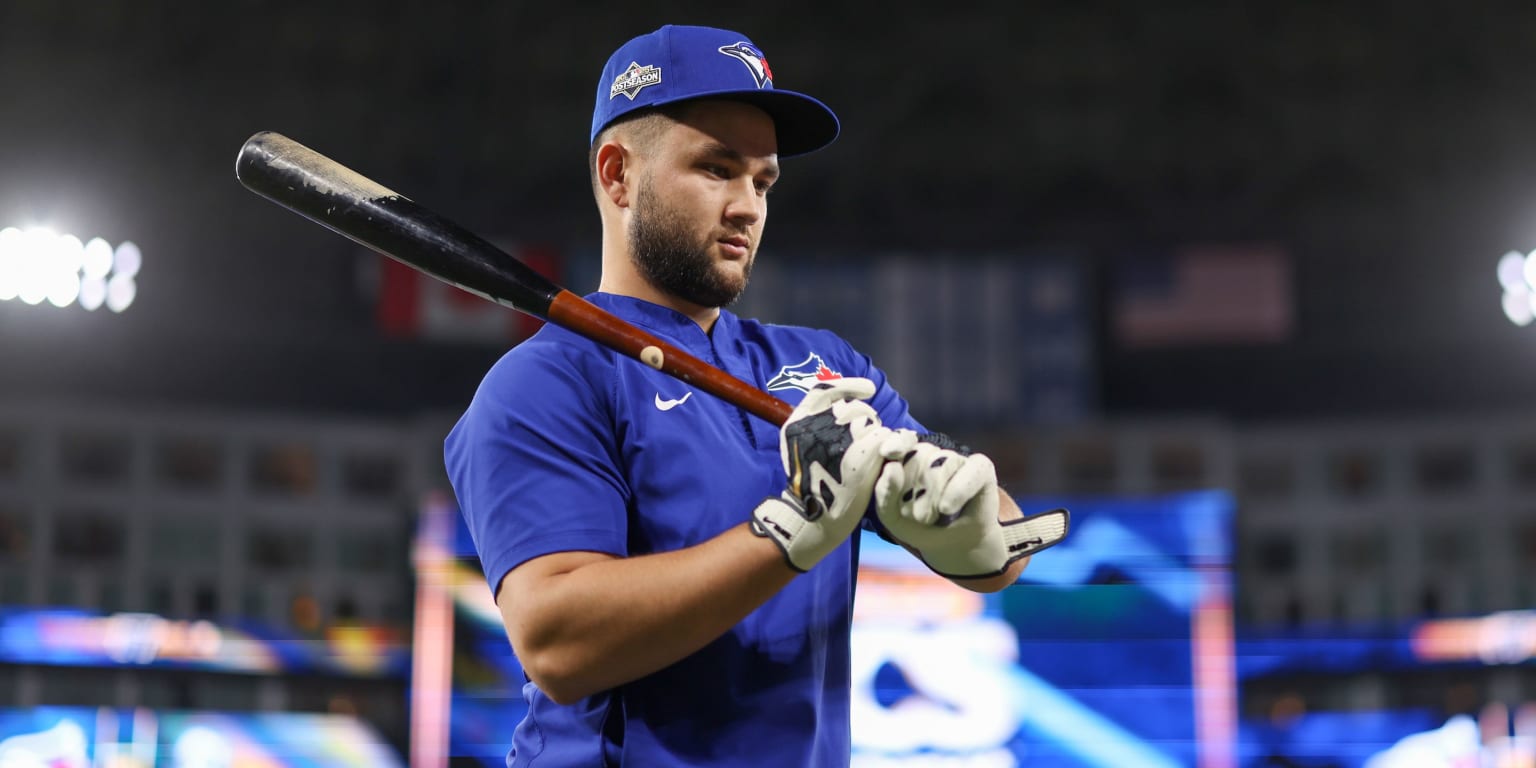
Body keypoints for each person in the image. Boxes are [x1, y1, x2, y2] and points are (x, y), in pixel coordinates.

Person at [443, 23, 1069, 767]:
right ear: (618, 174)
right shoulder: (546, 382)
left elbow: (997, 549)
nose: (747, 206)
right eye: (716, 169)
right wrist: (790, 531)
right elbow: (556, 639)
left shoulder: (823, 365)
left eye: (762, 181)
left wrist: (965, 524)